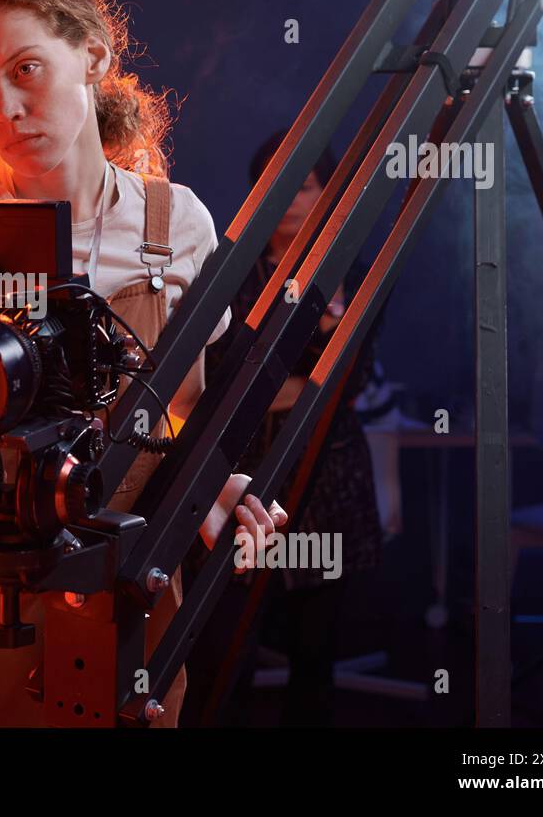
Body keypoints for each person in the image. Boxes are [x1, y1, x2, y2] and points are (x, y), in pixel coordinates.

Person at [0, 0, 287, 727]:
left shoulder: (176, 223)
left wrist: (215, 484)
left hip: (121, 591)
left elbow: (179, 412)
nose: (5, 111)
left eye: (26, 70)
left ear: (93, 54)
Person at [191, 129, 384, 726]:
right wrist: (286, 388)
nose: (291, 200)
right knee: (226, 648)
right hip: (239, 477)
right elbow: (218, 383)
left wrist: (286, 387)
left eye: (304, 186)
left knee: (314, 651)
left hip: (326, 476)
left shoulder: (350, 267)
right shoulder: (233, 271)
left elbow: (343, 385)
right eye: (279, 186)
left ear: (326, 192)